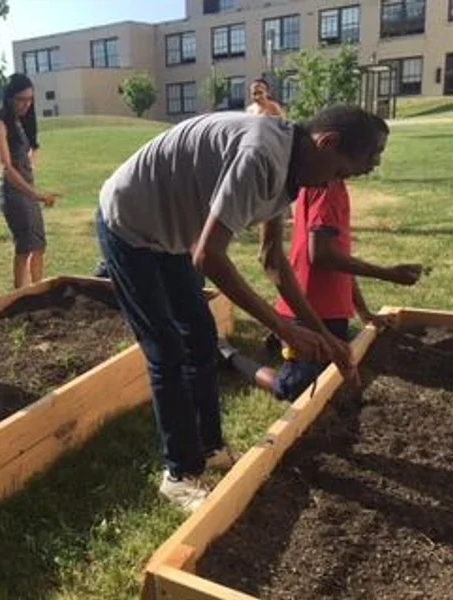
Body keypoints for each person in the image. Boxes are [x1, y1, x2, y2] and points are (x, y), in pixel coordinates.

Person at [96, 105, 389, 512]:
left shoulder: (292, 168)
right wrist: (287, 331)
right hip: (128, 224)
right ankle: (179, 474)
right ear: (327, 142)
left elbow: (272, 262)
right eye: (340, 172)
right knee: (166, 348)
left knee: (199, 338)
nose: (334, 184)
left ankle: (209, 447)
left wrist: (323, 335)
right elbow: (209, 258)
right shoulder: (261, 155)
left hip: (172, 237)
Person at [219, 180, 423, 401]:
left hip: (330, 311)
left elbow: (338, 259)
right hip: (309, 308)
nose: (375, 163)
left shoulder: (332, 183)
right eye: (372, 154)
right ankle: (228, 354)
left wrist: (363, 312)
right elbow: (321, 255)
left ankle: (280, 340)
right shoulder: (327, 187)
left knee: (331, 368)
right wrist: (388, 273)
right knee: (293, 389)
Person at [0, 73, 60, 289]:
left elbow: (30, 153)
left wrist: (32, 163)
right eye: (21, 99)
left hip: (26, 190)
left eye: (30, 100)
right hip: (12, 193)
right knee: (25, 247)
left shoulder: (22, 123)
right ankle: (20, 297)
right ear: (9, 98)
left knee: (39, 245)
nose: (26, 104)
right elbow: (6, 166)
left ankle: (36, 291)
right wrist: (36, 194)